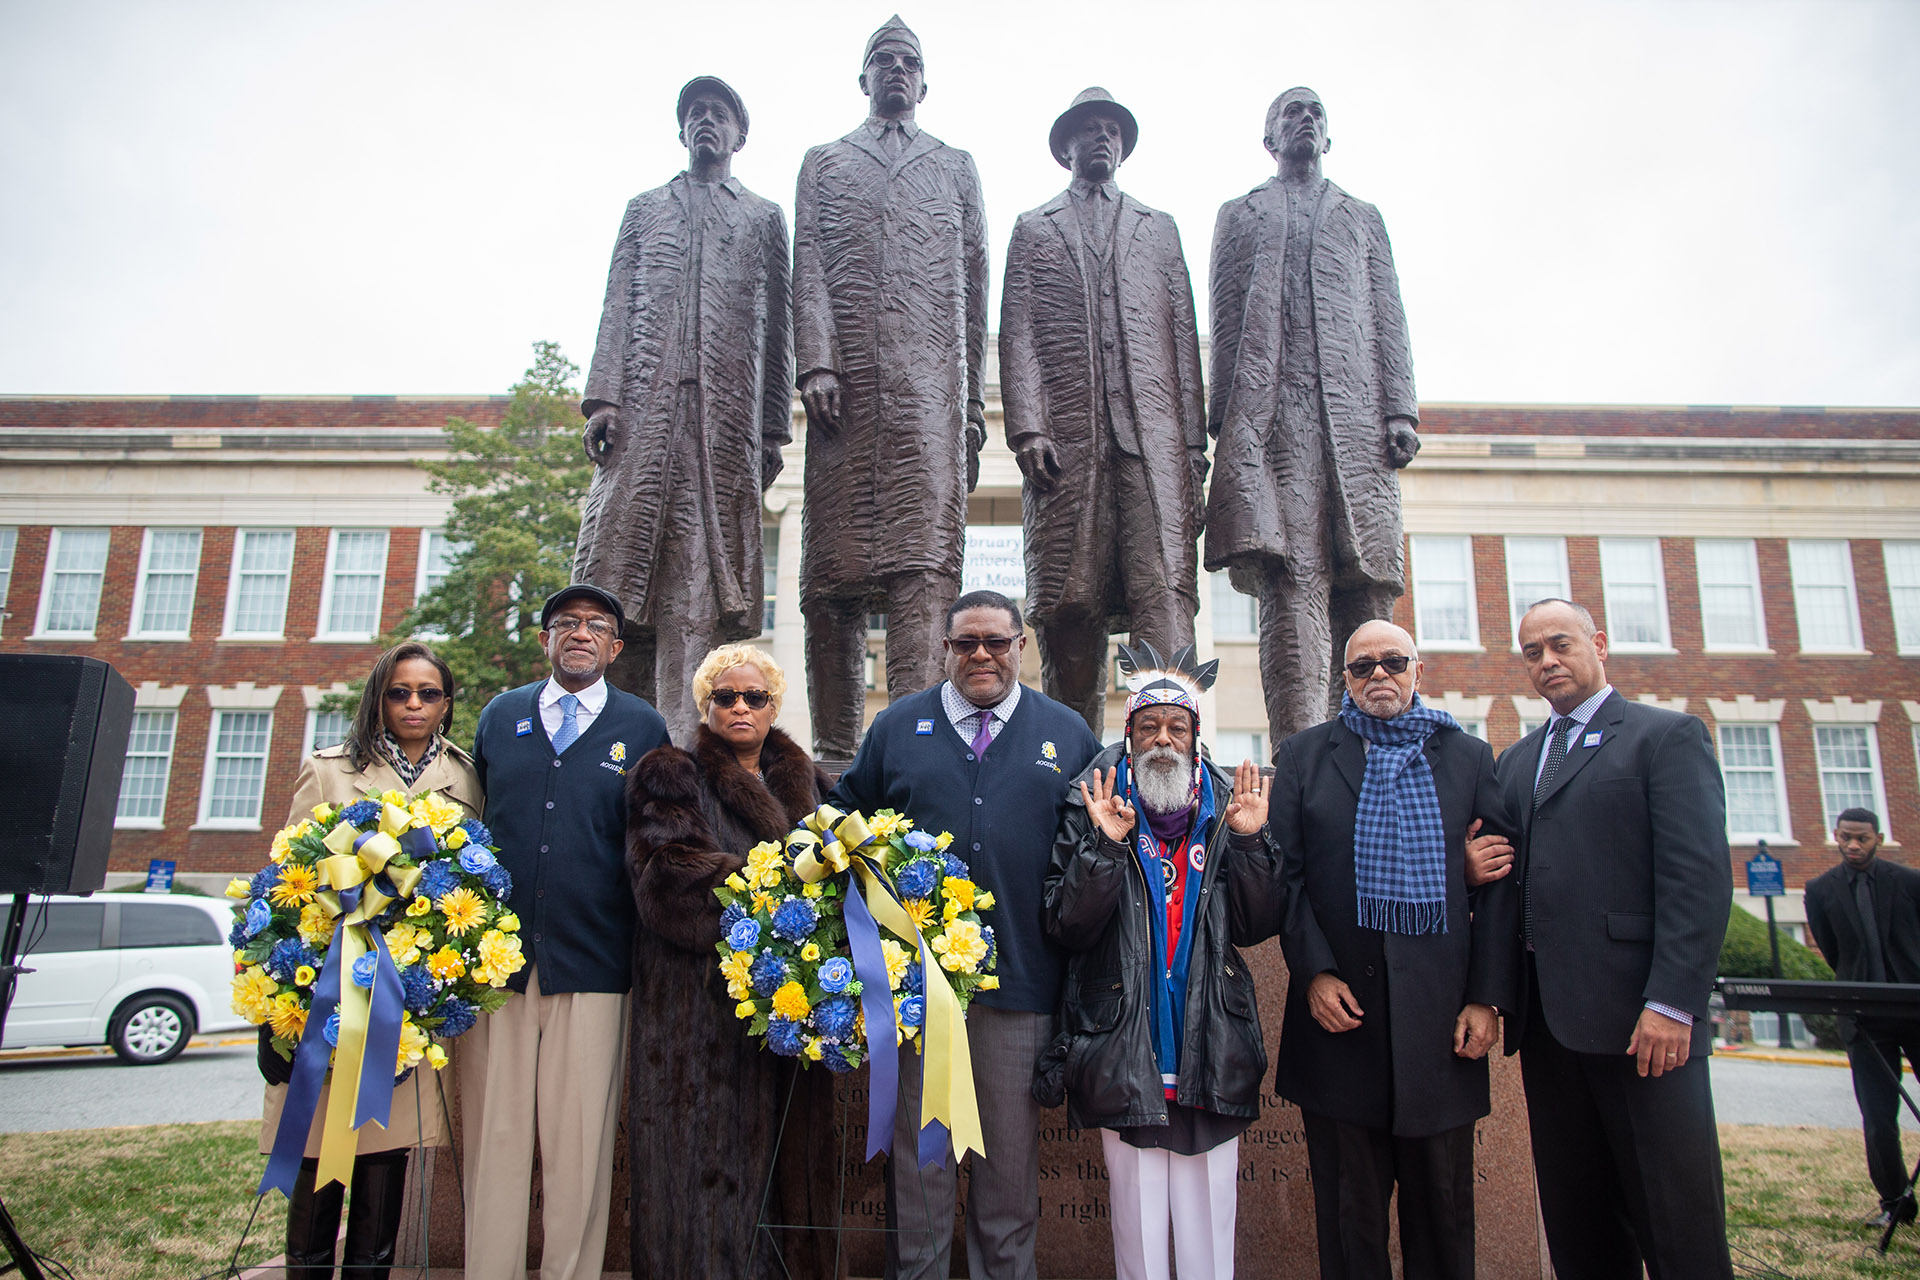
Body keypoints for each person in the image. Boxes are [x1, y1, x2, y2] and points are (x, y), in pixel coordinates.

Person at [828, 589, 1101, 1280]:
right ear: (944, 649)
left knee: (1008, 1175)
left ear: (1021, 648)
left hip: (1021, 991)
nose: (982, 655)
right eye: (965, 643)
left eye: (997, 642)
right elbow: (840, 818)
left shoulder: (1066, 733)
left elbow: (1096, 853)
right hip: (918, 998)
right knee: (921, 1170)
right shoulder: (896, 728)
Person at [1234, 621, 1519, 1280]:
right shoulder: (1305, 756)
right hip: (1341, 1026)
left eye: (1393, 661)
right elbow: (1289, 876)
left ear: (1417, 668)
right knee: (1350, 1223)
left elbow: (1501, 881)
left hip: (1440, 1025)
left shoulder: (1469, 757)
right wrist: (1313, 974)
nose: (1379, 675)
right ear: (1346, 680)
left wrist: (1485, 997)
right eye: (1363, 667)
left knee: (1442, 1221)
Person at [1486, 598, 1734, 1278]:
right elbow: (1506, 877)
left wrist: (1673, 1003)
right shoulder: (1518, 760)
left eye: (1559, 644)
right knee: (1581, 1224)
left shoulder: (1664, 738)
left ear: (1599, 643)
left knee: (1676, 1221)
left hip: (1641, 1027)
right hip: (1547, 1031)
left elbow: (1699, 883)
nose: (1547, 662)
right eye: (1532, 652)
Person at [1039, 644, 1271, 1280]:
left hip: (1210, 1048)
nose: (1162, 740)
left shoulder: (1230, 807)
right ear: (1129, 734)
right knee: (1137, 1245)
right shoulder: (1090, 808)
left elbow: (1257, 925)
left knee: (1208, 1247)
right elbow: (1065, 922)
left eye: (1177, 726)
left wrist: (1250, 842)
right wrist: (1106, 849)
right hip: (1123, 1050)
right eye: (1148, 727)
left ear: (1196, 737)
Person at [794, 14, 991, 761]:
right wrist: (815, 361)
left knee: (923, 578)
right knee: (830, 585)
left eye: (909, 60)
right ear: (865, 76)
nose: (898, 70)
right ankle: (835, 751)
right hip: (845, 398)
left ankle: (915, 748)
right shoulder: (825, 161)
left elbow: (974, 292)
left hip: (929, 400)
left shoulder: (955, 164)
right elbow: (807, 260)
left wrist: (970, 409)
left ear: (924, 80)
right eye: (885, 59)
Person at [574, 75, 793, 744]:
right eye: (694, 112)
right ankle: (602, 737)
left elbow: (778, 326)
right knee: (616, 576)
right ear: (681, 129)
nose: (706, 121)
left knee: (696, 584)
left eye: (718, 113)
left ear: (739, 133)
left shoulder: (761, 217)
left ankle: (680, 753)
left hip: (721, 429)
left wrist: (772, 428)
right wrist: (604, 397)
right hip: (646, 416)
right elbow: (617, 303)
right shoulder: (646, 209)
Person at [460, 584, 670, 1280]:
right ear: (545, 639)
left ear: (615, 647)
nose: (581, 633)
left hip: (596, 966)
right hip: (500, 970)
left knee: (579, 1146)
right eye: (567, 623)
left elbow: (657, 845)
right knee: (496, 1142)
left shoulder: (642, 727)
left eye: (597, 626)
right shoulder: (499, 717)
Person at [1202, 87, 1420, 748]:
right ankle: (1300, 751)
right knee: (1292, 581)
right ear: (1270, 138)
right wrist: (1224, 424)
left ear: (1329, 136)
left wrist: (1400, 409)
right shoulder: (1241, 214)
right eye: (1290, 113)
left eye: (1315, 113)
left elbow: (1388, 315)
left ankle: (1376, 738)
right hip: (1276, 425)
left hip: (1356, 425)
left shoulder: (1362, 216)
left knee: (1367, 587)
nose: (1305, 120)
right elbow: (1224, 313)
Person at [262, 640, 481, 1280]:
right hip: (330, 988)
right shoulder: (329, 769)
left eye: (429, 693)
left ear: (445, 702)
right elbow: (287, 882)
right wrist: (276, 1002)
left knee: (387, 1148)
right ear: (379, 698)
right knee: (317, 1145)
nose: (415, 704)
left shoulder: (467, 777)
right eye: (400, 692)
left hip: (410, 996)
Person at [622, 644, 837, 1277]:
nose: (740, 707)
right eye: (725, 696)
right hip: (696, 1014)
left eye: (754, 697)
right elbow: (666, 879)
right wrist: (783, 887)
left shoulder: (814, 784)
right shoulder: (669, 773)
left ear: (775, 706)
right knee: (703, 1174)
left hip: (793, 1012)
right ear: (705, 705)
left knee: (790, 1173)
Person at [999, 87, 1206, 737]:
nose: (1101, 139)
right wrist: (1028, 424)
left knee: (1162, 593)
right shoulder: (1036, 227)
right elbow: (1019, 332)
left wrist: (1194, 449)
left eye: (1111, 130)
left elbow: (1182, 341)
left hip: (1153, 444)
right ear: (1066, 146)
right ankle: (1068, 751)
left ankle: (1173, 746)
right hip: (1067, 444)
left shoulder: (1159, 228)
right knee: (1068, 602)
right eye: (1088, 130)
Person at [1804, 806, 1920, 1229]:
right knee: (1878, 1118)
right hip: (1866, 1020)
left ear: (1879, 838)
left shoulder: (1909, 882)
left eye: (1863, 838)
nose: (1853, 845)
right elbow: (1833, 951)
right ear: (1835, 835)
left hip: (1915, 1008)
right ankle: (1895, 1203)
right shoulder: (1819, 890)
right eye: (1846, 837)